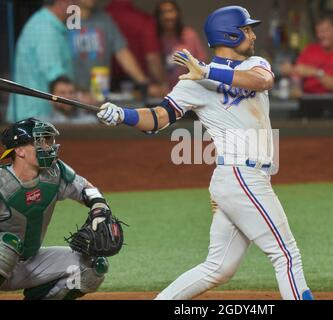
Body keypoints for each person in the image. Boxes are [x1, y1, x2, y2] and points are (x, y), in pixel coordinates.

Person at [97, 6, 313, 300]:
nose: (252, 34)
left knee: (219, 268)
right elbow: (159, 118)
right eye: (247, 29)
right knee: (286, 256)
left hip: (243, 179)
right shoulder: (192, 84)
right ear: (230, 33)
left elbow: (263, 81)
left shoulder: (254, 64)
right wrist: (123, 114)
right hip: (240, 176)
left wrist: (207, 70)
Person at [0, 118, 113, 299]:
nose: (48, 146)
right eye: (40, 141)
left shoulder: (54, 174)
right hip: (2, 259)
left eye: (48, 140)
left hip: (29, 264)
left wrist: (99, 207)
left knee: (92, 267)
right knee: (7, 245)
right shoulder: (2, 184)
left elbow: (86, 188)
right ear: (19, 150)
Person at [6, 0, 74, 123]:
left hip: (35, 118)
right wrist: (84, 100)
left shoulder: (44, 24)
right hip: (33, 120)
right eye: (74, 1)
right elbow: (58, 81)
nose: (77, 5)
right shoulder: (46, 29)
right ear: (62, 2)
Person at [69, 0, 150, 98]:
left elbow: (122, 53)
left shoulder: (104, 19)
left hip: (99, 93)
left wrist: (143, 82)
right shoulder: (64, 19)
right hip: (70, 94)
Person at [281, 10, 333, 96]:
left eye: (325, 31)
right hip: (307, 101)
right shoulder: (310, 49)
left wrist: (317, 73)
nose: (320, 35)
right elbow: (297, 75)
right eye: (318, 31)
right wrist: (291, 73)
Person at [106, 0, 169, 97]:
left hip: (103, 83)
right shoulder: (144, 20)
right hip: (140, 85)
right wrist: (163, 84)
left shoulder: (102, 18)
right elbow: (152, 59)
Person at [154, 1, 208, 89]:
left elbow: (202, 62)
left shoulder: (189, 34)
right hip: (161, 91)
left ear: (177, 13)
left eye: (170, 11)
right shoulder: (153, 37)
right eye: (163, 13)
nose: (167, 16)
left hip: (188, 88)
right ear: (157, 17)